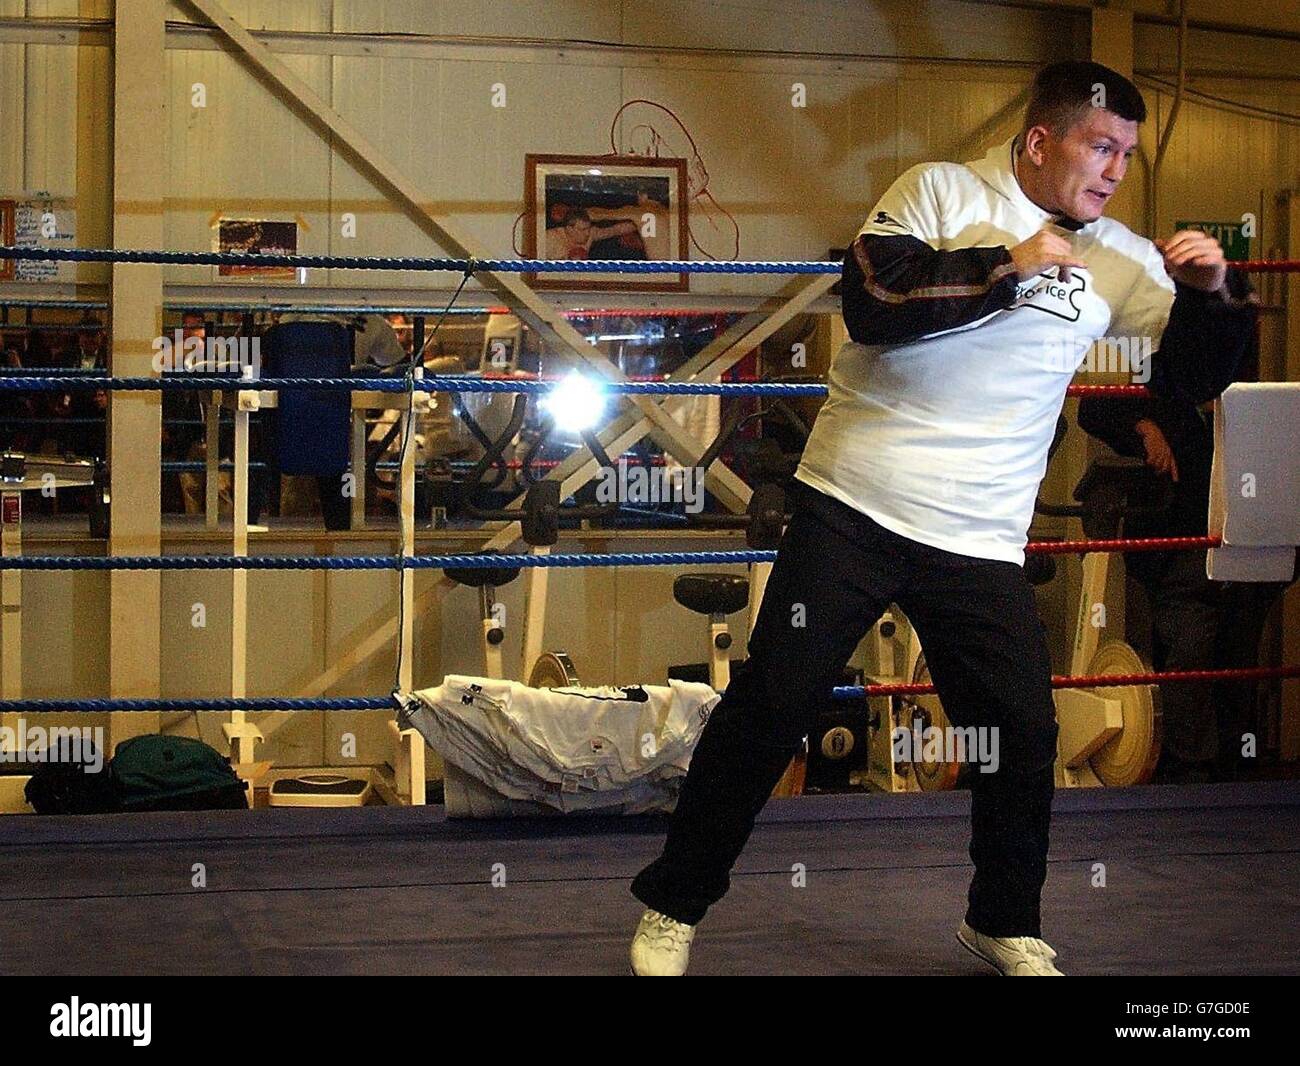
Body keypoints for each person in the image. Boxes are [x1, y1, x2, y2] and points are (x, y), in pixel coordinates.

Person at [627, 60, 1258, 976]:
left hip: (979, 540)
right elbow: (874, 303)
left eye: (1127, 151)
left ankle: (1000, 919)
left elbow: (1190, 381)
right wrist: (1008, 263)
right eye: (1099, 145)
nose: (1116, 167)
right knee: (773, 706)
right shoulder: (939, 191)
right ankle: (673, 906)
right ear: (1041, 141)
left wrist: (1211, 296)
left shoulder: (1119, 257)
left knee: (1021, 730)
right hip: (854, 506)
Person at [1076, 277, 1285, 783]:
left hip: (1245, 543)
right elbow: (1094, 407)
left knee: (1236, 655)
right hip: (1186, 544)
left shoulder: (1255, 392)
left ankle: (1232, 769)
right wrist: (1145, 428)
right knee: (1193, 644)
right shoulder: (1163, 373)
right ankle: (1196, 768)